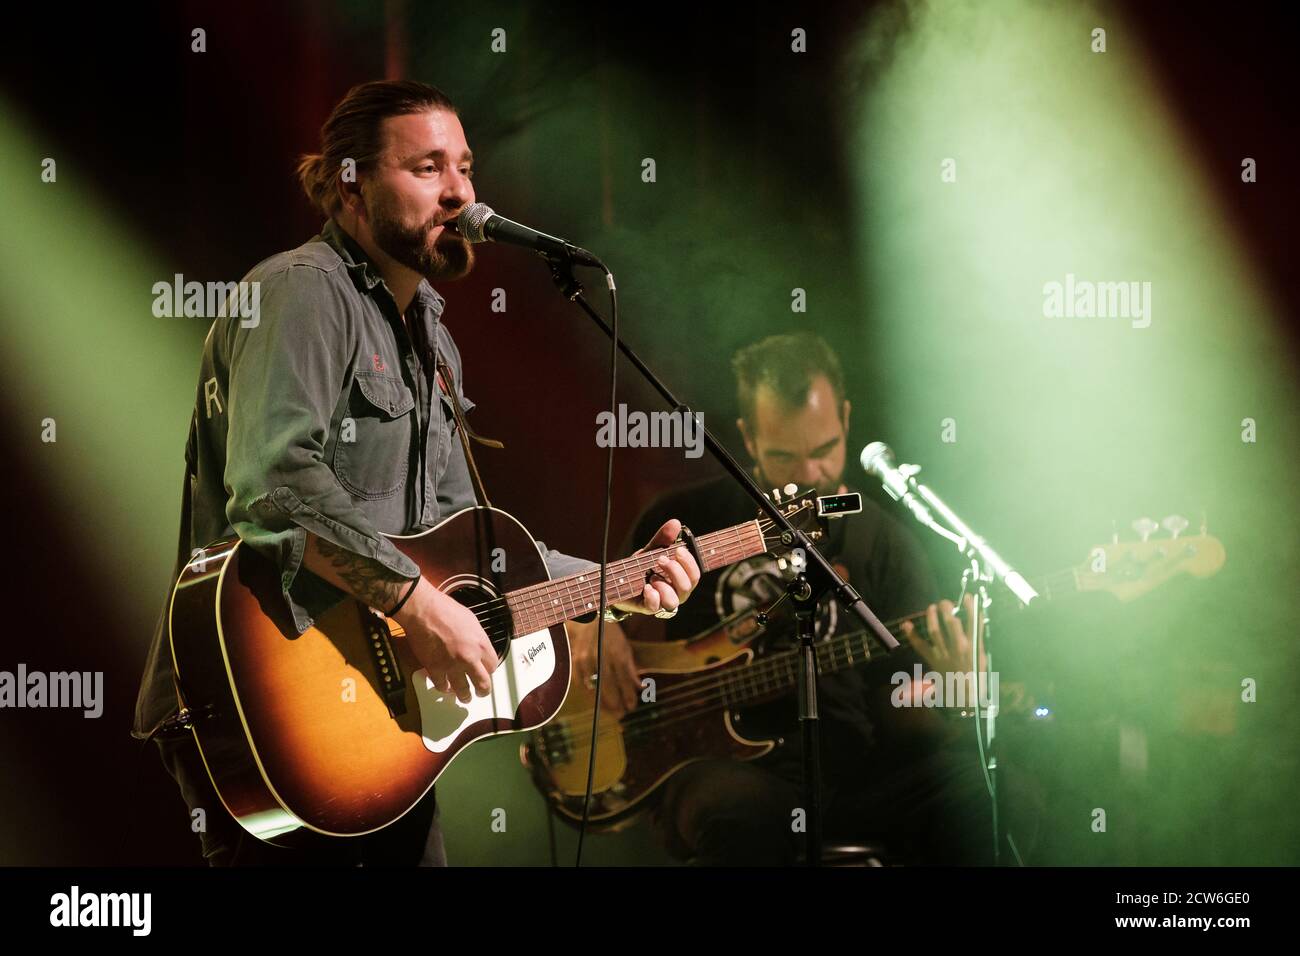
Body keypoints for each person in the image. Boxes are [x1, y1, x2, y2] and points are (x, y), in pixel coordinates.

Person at [129, 79, 699, 866]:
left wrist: (621, 583)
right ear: (351, 184)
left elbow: (473, 552)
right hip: (270, 703)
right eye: (428, 168)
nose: (461, 193)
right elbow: (276, 484)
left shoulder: (433, 332)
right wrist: (417, 606)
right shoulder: (301, 290)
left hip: (378, 726)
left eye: (465, 168)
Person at [569, 332, 1039, 865]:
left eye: (823, 451)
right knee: (731, 811)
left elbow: (904, 707)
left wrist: (958, 696)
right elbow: (584, 595)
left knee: (998, 797)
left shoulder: (883, 543)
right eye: (784, 457)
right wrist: (593, 625)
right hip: (728, 771)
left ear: (844, 417)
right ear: (748, 437)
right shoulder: (684, 518)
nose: (811, 475)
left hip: (857, 777)